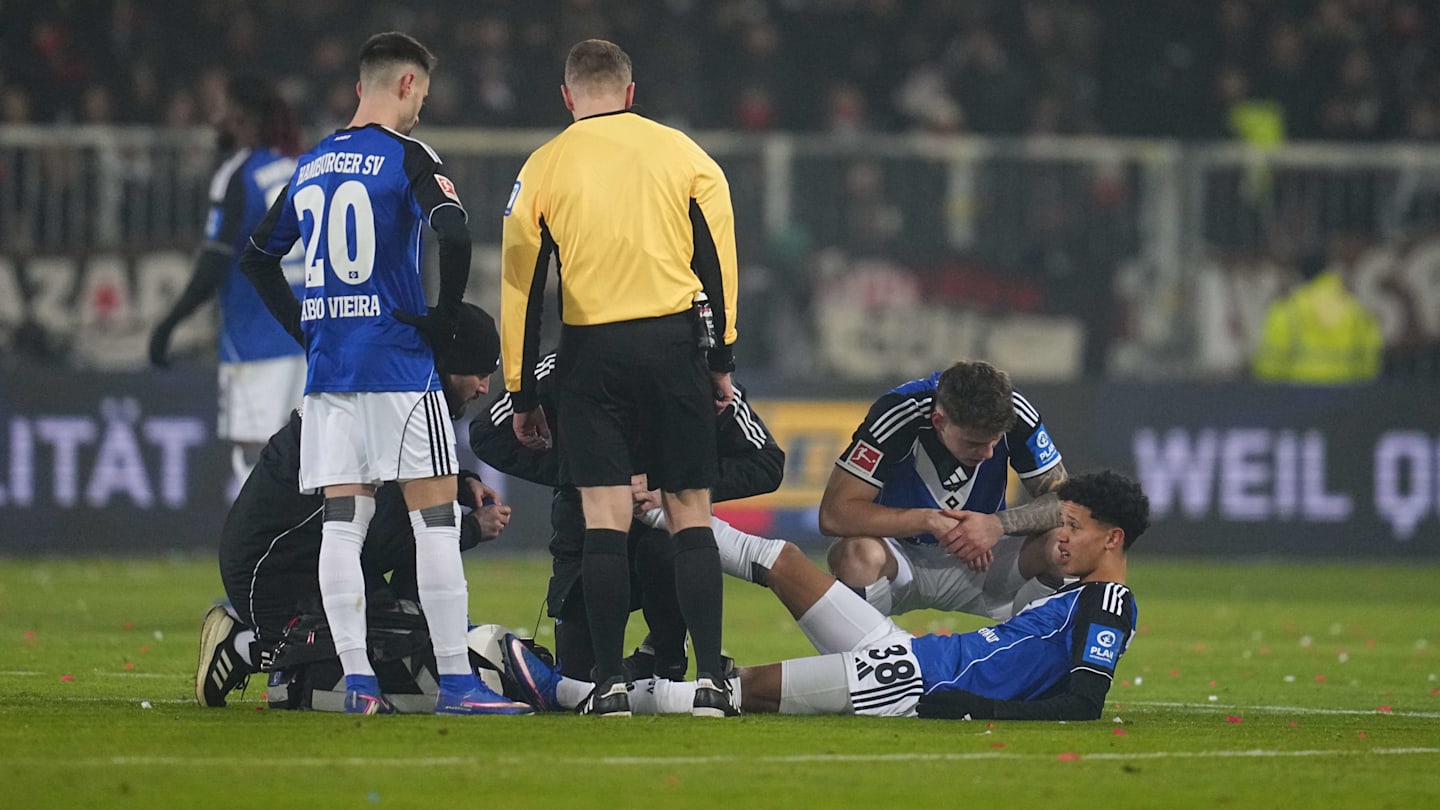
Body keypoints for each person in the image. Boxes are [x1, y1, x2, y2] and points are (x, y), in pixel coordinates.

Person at [240, 32, 498, 715]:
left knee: (342, 525)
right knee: (435, 520)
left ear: (360, 87)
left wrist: (306, 328)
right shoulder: (408, 157)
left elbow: (257, 258)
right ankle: (458, 683)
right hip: (397, 365)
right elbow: (455, 232)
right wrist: (443, 320)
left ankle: (357, 683)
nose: (420, 111)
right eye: (423, 97)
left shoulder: (313, 164)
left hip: (330, 374)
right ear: (407, 86)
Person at [499, 39, 740, 716]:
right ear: (631, 93)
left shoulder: (544, 164)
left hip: (591, 354)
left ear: (568, 97)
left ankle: (605, 686)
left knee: (603, 519)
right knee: (691, 515)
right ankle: (711, 683)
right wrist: (721, 357)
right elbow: (720, 260)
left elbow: (522, 285)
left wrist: (520, 391)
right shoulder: (684, 153)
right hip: (672, 347)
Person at [500, 470, 1148, 721]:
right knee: (778, 557)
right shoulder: (1070, 591)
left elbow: (1084, 701)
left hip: (911, 686)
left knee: (730, 691)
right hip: (908, 656)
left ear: (1112, 538)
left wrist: (967, 707)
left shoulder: (1109, 603)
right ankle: (646, 508)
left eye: (1074, 528)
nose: (1059, 537)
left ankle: (563, 691)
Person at [195, 304, 528, 715]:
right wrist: (472, 528)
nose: (484, 386)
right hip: (271, 573)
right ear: (445, 366)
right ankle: (248, 646)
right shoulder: (388, 405)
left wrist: (457, 484)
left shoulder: (390, 390)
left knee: (411, 629)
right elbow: (394, 526)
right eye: (478, 372)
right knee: (388, 643)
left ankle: (272, 646)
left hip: (305, 554)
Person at [471, 350, 784, 683]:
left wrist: (671, 487)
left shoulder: (699, 371)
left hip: (661, 533)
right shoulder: (562, 365)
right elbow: (486, 433)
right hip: (584, 534)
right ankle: (645, 666)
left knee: (665, 550)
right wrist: (581, 475)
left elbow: (766, 462)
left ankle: (667, 658)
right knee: (580, 680)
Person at [148, 75, 306, 497]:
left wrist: (169, 324)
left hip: (256, 338)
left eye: (219, 109)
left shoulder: (238, 175)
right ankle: (311, 553)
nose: (212, 118)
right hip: (310, 337)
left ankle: (263, 556)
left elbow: (213, 264)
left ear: (240, 117)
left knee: (256, 457)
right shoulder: (300, 167)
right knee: (306, 458)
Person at [819, 360, 1068, 620]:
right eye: (974, 443)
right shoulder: (900, 413)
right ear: (939, 421)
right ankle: (866, 656)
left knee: (1067, 542)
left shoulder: (1017, 414)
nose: (988, 453)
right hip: (901, 558)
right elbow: (834, 514)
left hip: (984, 560)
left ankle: (1027, 650)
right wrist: (928, 520)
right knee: (857, 554)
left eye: (994, 440)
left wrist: (996, 525)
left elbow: (1070, 504)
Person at [1251, 246, 1383, 383]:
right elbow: (1370, 364)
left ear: (1298, 272)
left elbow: (1269, 368)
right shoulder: (1355, 310)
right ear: (1329, 268)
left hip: (1295, 398)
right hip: (1347, 397)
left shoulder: (1286, 311)